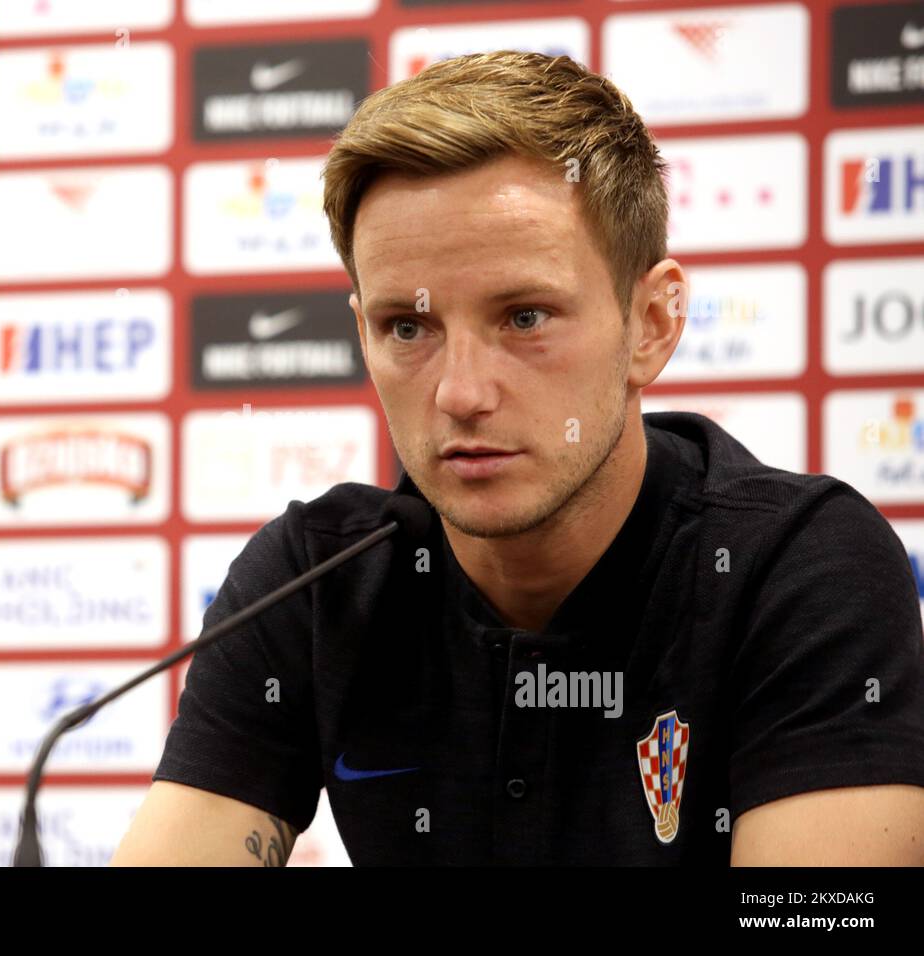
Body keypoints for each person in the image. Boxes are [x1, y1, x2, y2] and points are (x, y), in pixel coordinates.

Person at [111, 50, 924, 866]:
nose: (461, 393)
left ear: (651, 324)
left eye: (525, 318)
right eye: (407, 327)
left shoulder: (802, 567)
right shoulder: (315, 582)